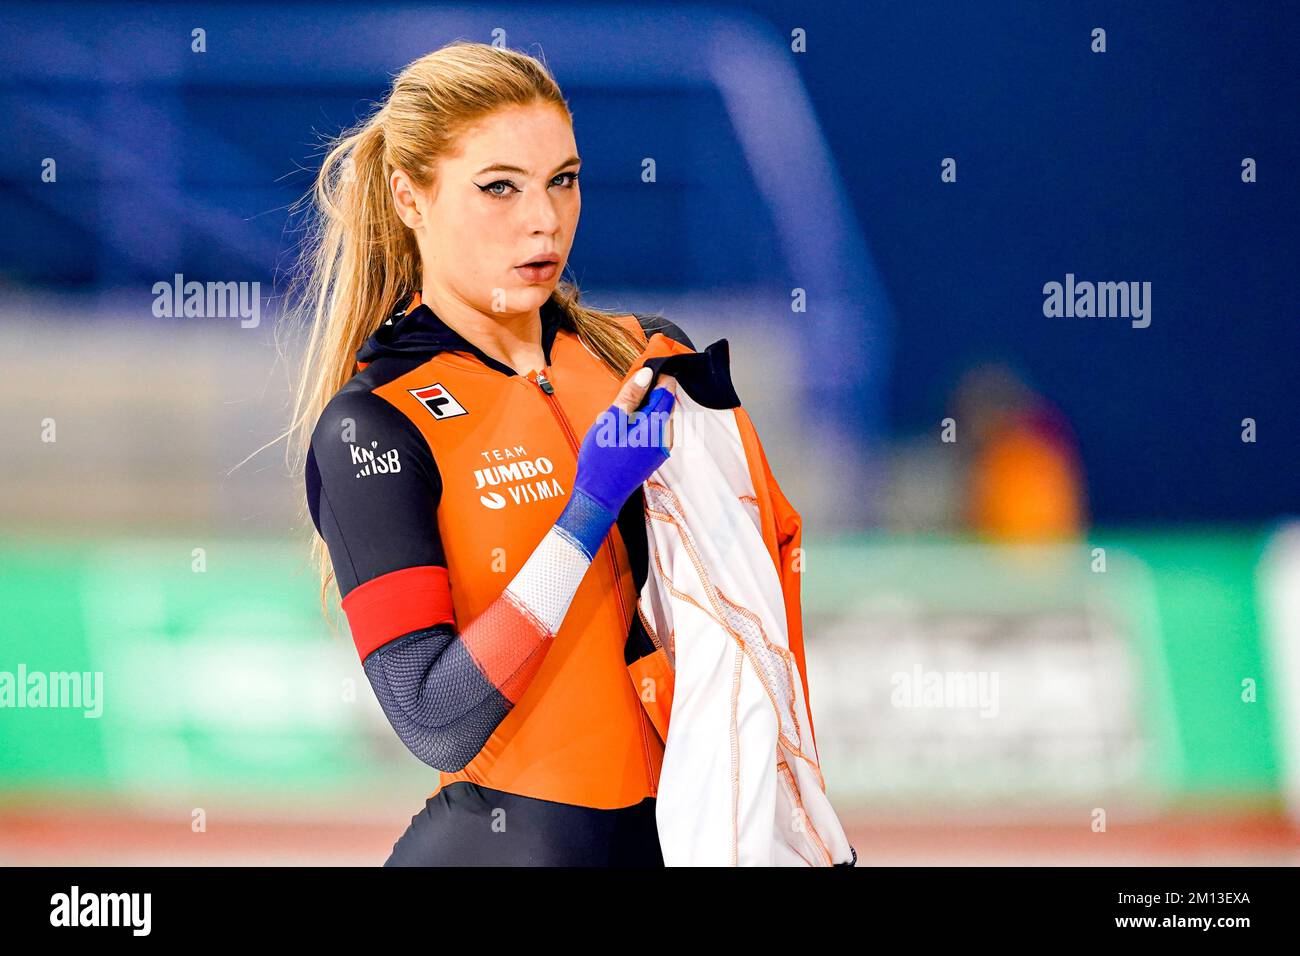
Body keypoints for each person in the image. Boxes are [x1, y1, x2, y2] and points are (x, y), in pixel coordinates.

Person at [286, 40, 697, 865]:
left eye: (564, 180)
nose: (543, 219)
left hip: (685, 835)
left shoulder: (639, 358)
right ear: (409, 196)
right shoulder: (375, 425)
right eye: (499, 187)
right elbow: (432, 716)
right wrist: (589, 512)